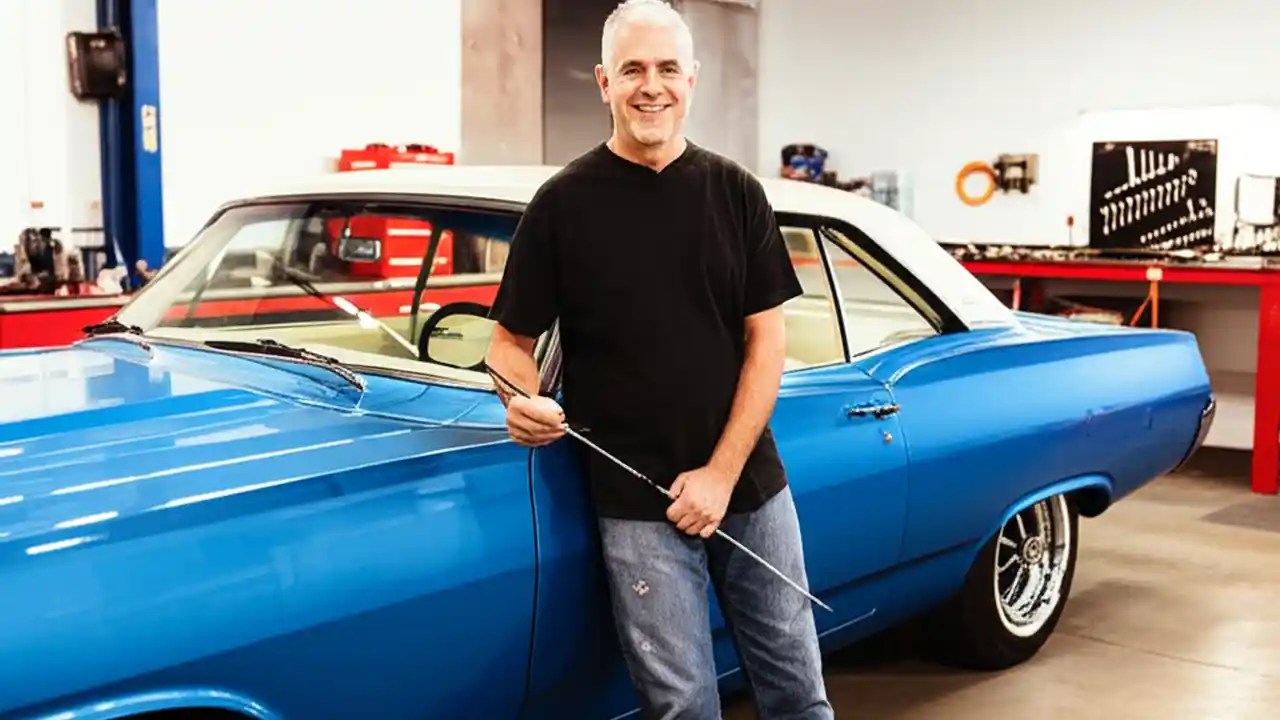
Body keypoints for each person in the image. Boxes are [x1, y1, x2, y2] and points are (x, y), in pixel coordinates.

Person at [484, 1, 833, 717]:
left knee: (799, 696)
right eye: (633, 70)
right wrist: (519, 401)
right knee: (683, 710)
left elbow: (768, 344)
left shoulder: (735, 192)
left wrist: (720, 474)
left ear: (692, 79)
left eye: (668, 68)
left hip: (751, 489)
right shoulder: (561, 206)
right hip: (634, 504)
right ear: (604, 82)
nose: (652, 86)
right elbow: (506, 347)